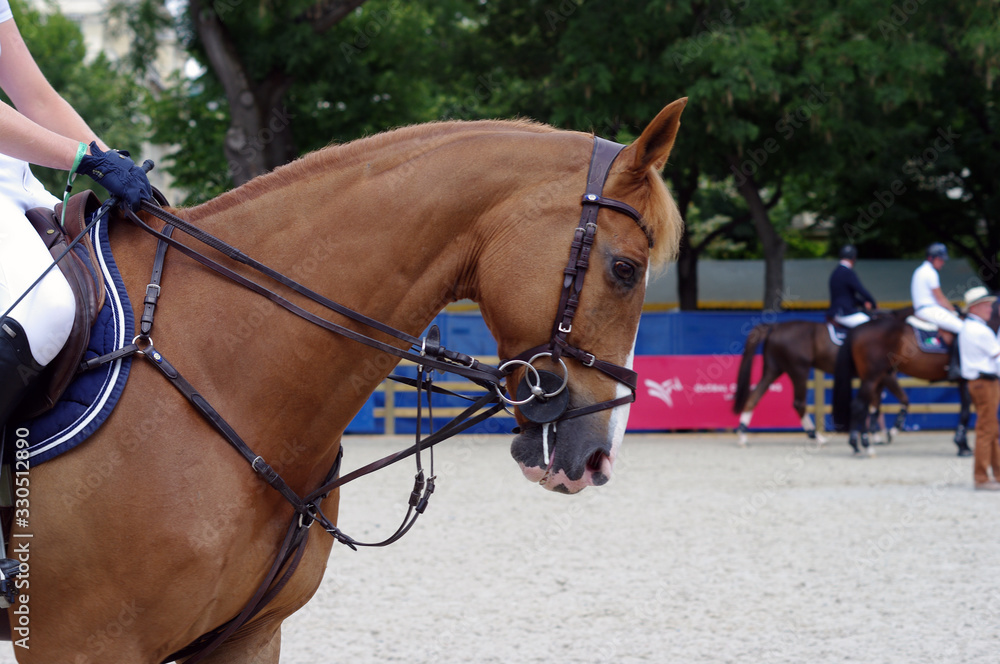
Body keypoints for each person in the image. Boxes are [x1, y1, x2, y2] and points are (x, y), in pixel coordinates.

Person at [957, 286, 1000, 490]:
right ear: (975, 307)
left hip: (979, 382)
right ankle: (981, 476)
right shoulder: (981, 330)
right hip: (986, 382)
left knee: (990, 428)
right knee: (986, 429)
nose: (990, 309)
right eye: (986, 305)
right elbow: (997, 357)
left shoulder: (969, 327)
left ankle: (996, 473)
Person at [911, 242, 963, 379]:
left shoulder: (920, 270)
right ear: (931, 258)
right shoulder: (931, 272)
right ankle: (955, 366)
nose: (942, 263)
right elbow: (940, 298)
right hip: (929, 309)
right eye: (940, 260)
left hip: (924, 309)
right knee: (963, 328)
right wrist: (953, 310)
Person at [828, 244, 877, 328]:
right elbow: (861, 290)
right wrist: (873, 303)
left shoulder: (836, 272)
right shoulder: (847, 272)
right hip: (844, 313)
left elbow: (846, 295)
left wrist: (863, 303)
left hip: (836, 312)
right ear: (853, 258)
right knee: (872, 325)